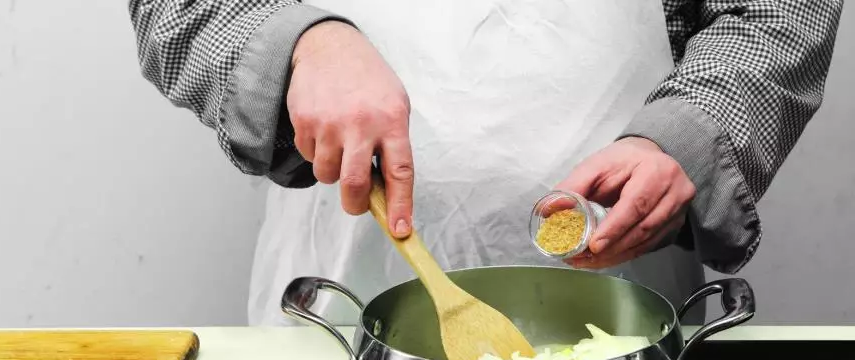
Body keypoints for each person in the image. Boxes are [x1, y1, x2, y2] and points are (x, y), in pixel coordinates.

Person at [128, 1, 842, 327]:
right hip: (340, 312)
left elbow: (778, 11)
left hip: (629, 319)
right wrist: (302, 46)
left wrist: (684, 137)